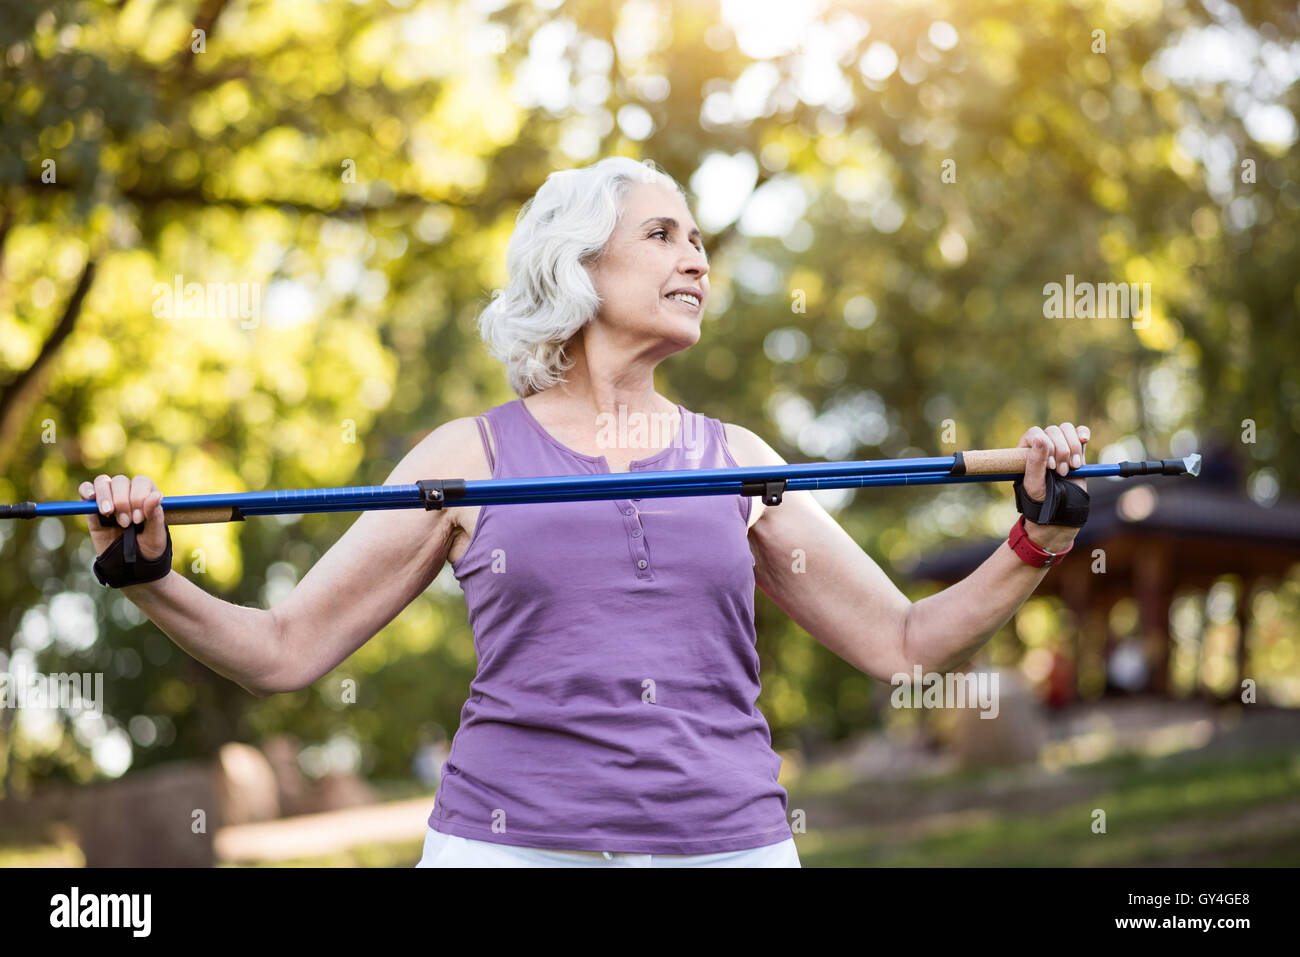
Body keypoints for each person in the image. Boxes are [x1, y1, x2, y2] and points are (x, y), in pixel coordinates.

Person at [80, 157, 1090, 868]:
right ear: (577, 267)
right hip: (504, 846)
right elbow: (286, 650)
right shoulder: (465, 459)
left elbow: (902, 642)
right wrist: (151, 573)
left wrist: (1034, 539)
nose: (696, 258)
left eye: (699, 240)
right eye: (661, 236)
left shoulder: (737, 461)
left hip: (729, 844)